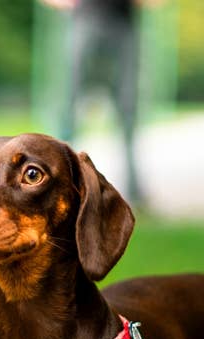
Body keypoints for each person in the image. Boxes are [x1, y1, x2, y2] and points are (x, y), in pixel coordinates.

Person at [44, 0, 149, 204]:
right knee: (68, 107)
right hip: (85, 20)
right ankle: (53, 183)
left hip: (123, 25)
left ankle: (135, 190)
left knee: (128, 109)